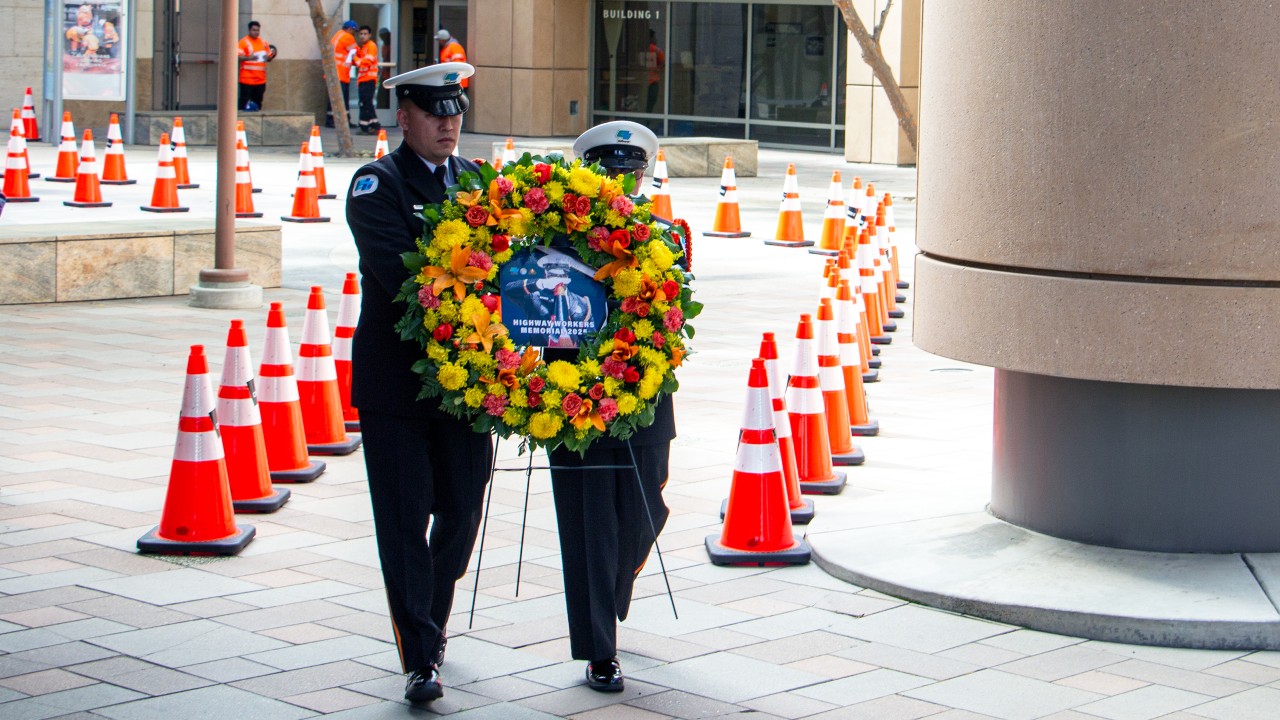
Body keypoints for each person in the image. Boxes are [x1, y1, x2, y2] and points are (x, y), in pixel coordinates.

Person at [344, 61, 492, 705]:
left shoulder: (477, 182)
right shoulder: (376, 186)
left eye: (456, 112)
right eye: (435, 112)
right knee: (404, 520)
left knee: (462, 508)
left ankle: (428, 623)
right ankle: (420, 651)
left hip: (466, 390)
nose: (448, 123)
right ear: (403, 117)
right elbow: (401, 275)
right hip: (397, 387)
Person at [548, 120, 675, 693]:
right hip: (576, 399)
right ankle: (600, 648)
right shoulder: (559, 241)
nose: (623, 183)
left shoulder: (666, 235)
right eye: (610, 173)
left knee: (648, 508)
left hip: (647, 398)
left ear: (644, 175)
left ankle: (613, 585)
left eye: (632, 173)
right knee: (589, 523)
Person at [326, 20, 359, 128]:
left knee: (332, 99)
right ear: (350, 29)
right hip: (341, 73)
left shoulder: (337, 36)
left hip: (332, 73)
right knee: (342, 99)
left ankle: (330, 120)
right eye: (354, 31)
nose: (355, 34)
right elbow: (356, 52)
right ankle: (345, 122)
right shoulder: (348, 37)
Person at [237, 21, 274, 112]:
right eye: (254, 30)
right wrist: (250, 57)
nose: (256, 32)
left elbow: (269, 57)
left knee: (258, 103)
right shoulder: (243, 42)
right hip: (247, 79)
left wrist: (268, 57)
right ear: (249, 30)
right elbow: (237, 57)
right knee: (244, 102)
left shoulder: (263, 42)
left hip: (260, 79)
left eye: (258, 30)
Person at [355, 25, 381, 134]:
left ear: (369, 35)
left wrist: (355, 58)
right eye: (361, 34)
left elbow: (366, 62)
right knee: (366, 103)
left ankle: (365, 127)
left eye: (365, 34)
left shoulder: (371, 46)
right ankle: (374, 125)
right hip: (364, 80)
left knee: (365, 103)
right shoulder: (364, 47)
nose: (362, 36)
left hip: (368, 79)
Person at [644, 29, 665, 114]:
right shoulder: (657, 50)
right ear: (651, 38)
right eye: (655, 37)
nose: (656, 39)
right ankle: (647, 122)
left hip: (644, 80)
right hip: (653, 81)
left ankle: (645, 121)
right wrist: (658, 69)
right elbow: (663, 64)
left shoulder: (642, 49)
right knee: (651, 102)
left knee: (645, 103)